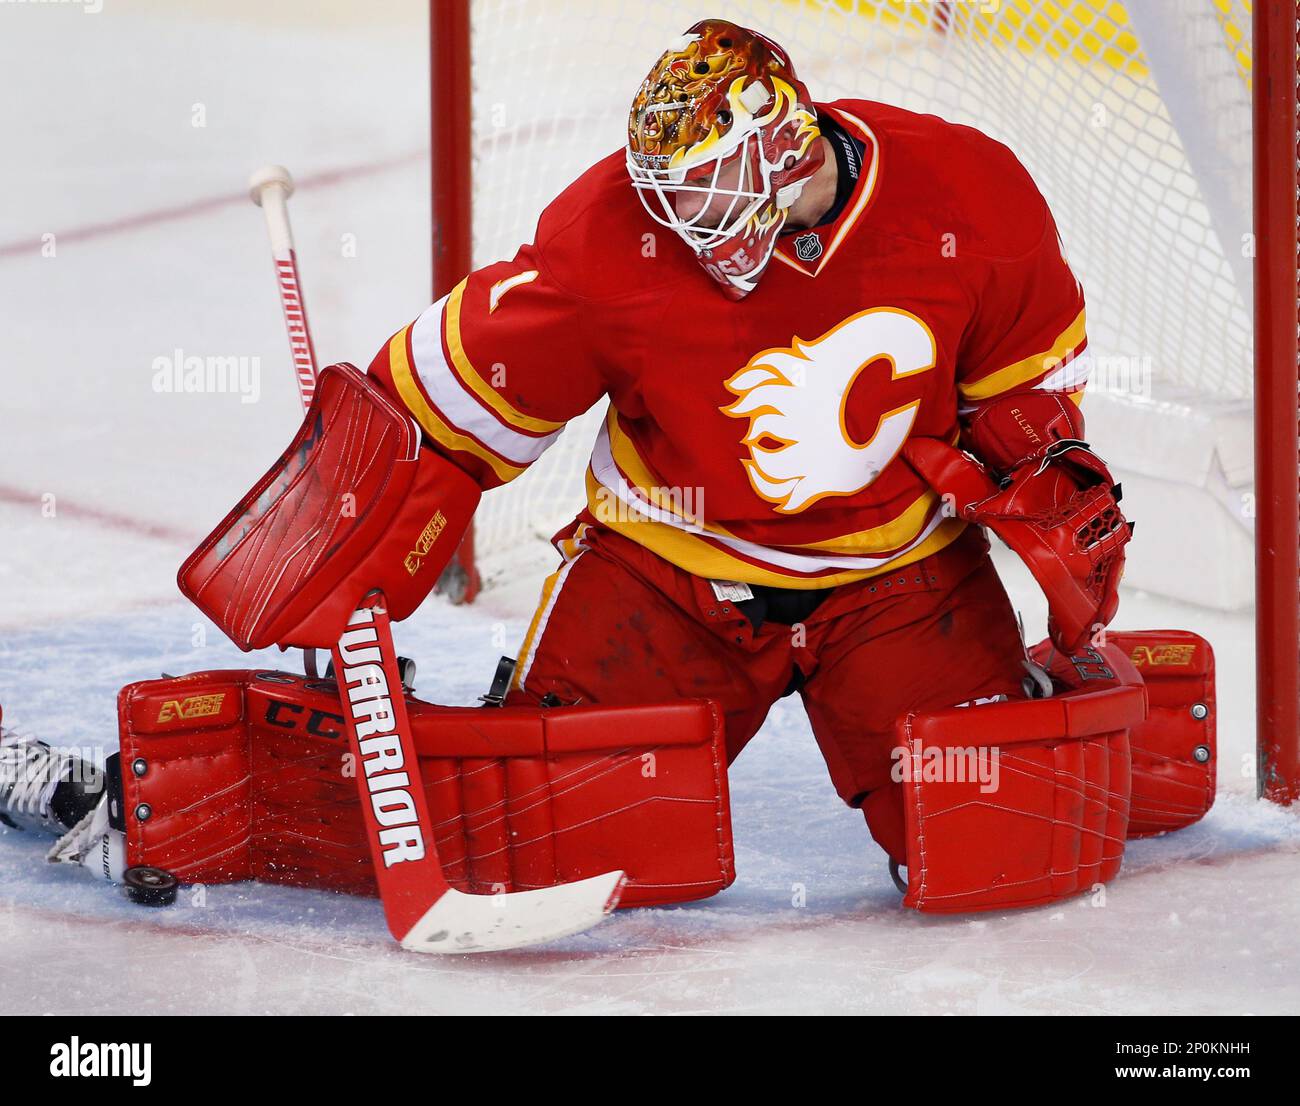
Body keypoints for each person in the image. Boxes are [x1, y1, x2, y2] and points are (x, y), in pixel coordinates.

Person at [1, 18, 1125, 873]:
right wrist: (354, 521)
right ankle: (234, 782)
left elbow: (1026, 399)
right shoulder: (612, 237)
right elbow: (442, 404)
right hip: (671, 578)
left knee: (989, 847)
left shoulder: (969, 193)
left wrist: (1042, 496)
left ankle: (1019, 701)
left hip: (897, 578)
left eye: (704, 188)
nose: (678, 219)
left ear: (782, 144)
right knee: (544, 847)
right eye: (665, 193)